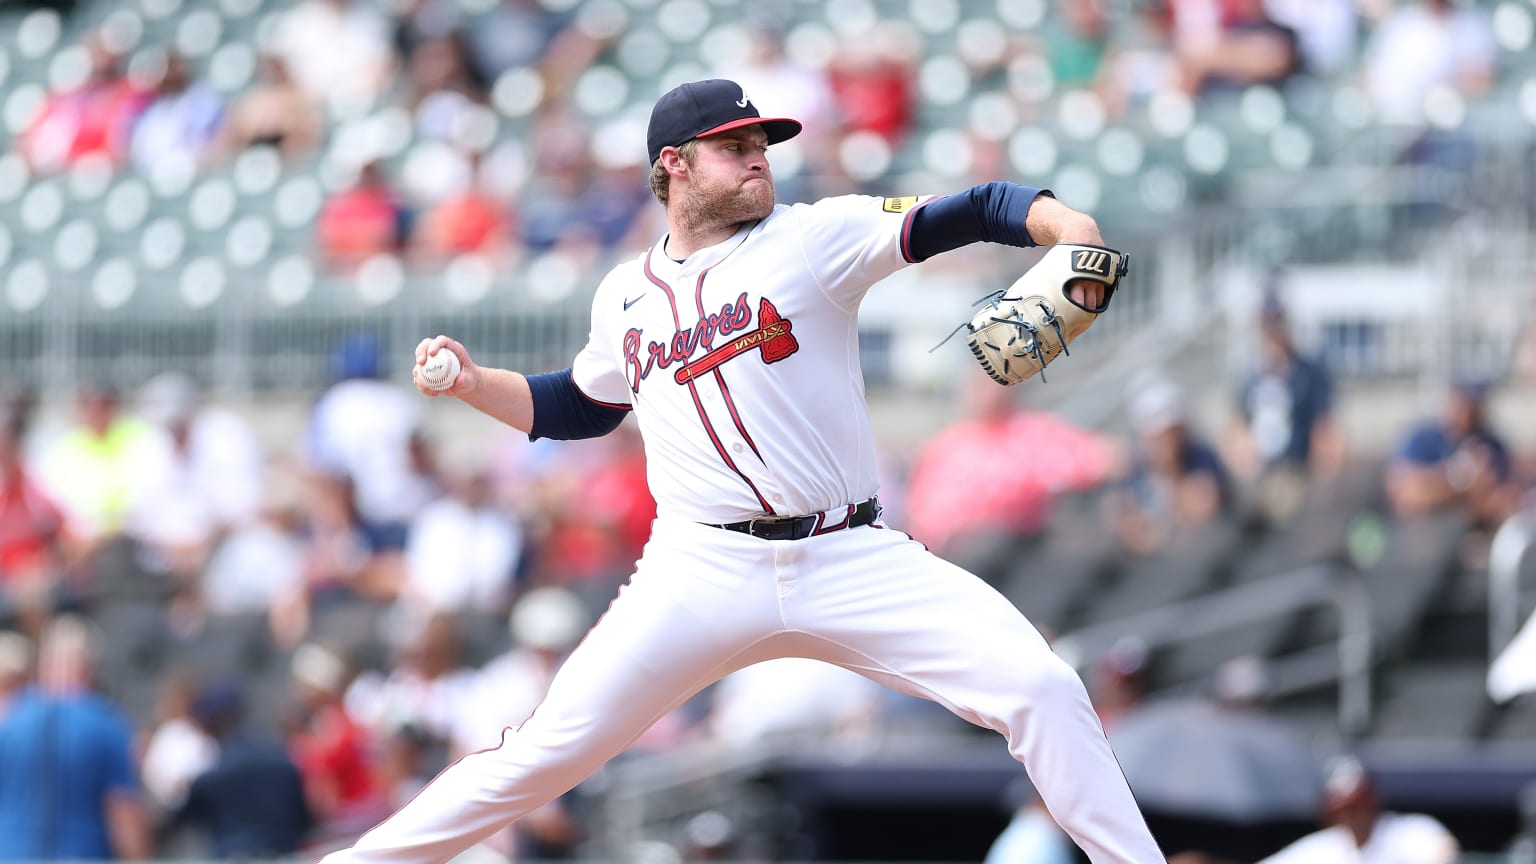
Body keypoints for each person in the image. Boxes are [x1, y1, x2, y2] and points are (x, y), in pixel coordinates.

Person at [321, 78, 1165, 864]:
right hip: (700, 568)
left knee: (1043, 687)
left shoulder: (814, 237)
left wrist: (1068, 228)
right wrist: (475, 384)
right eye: (734, 145)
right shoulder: (624, 293)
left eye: (763, 141)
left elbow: (972, 208)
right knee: (536, 755)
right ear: (674, 166)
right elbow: (580, 403)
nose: (759, 154)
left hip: (850, 554)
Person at [0, 615, 150, 860]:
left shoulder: (8, 719)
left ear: (42, 665)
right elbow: (122, 813)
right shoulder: (106, 725)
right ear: (90, 668)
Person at [171, 681, 314, 858]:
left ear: (208, 724)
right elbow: (306, 819)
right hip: (287, 856)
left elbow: (178, 821)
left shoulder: (208, 779)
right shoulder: (284, 762)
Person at [1255, 756, 1458, 864]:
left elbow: (1444, 852)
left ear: (1373, 802)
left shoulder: (1407, 831)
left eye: (1359, 805)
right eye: (1345, 809)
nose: (1353, 815)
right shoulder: (1325, 847)